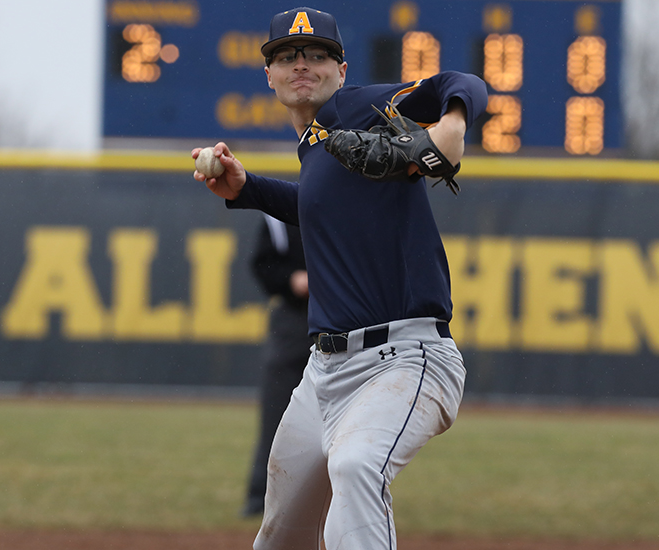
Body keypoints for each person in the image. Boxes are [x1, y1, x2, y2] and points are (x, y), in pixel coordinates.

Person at [192, 7, 487, 549]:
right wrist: (247, 189)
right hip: (325, 373)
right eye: (286, 56)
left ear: (342, 69)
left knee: (355, 466)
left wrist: (450, 124)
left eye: (316, 55)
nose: (301, 64)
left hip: (405, 358)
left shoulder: (360, 108)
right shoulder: (316, 143)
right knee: (280, 537)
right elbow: (323, 207)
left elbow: (461, 82)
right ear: (270, 76)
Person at [242, 214, 311, 518]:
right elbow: (261, 263)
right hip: (294, 319)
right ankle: (261, 498)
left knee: (343, 421)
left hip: (343, 321)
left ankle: (339, 501)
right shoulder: (280, 213)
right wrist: (290, 278)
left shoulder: (354, 202)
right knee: (276, 412)